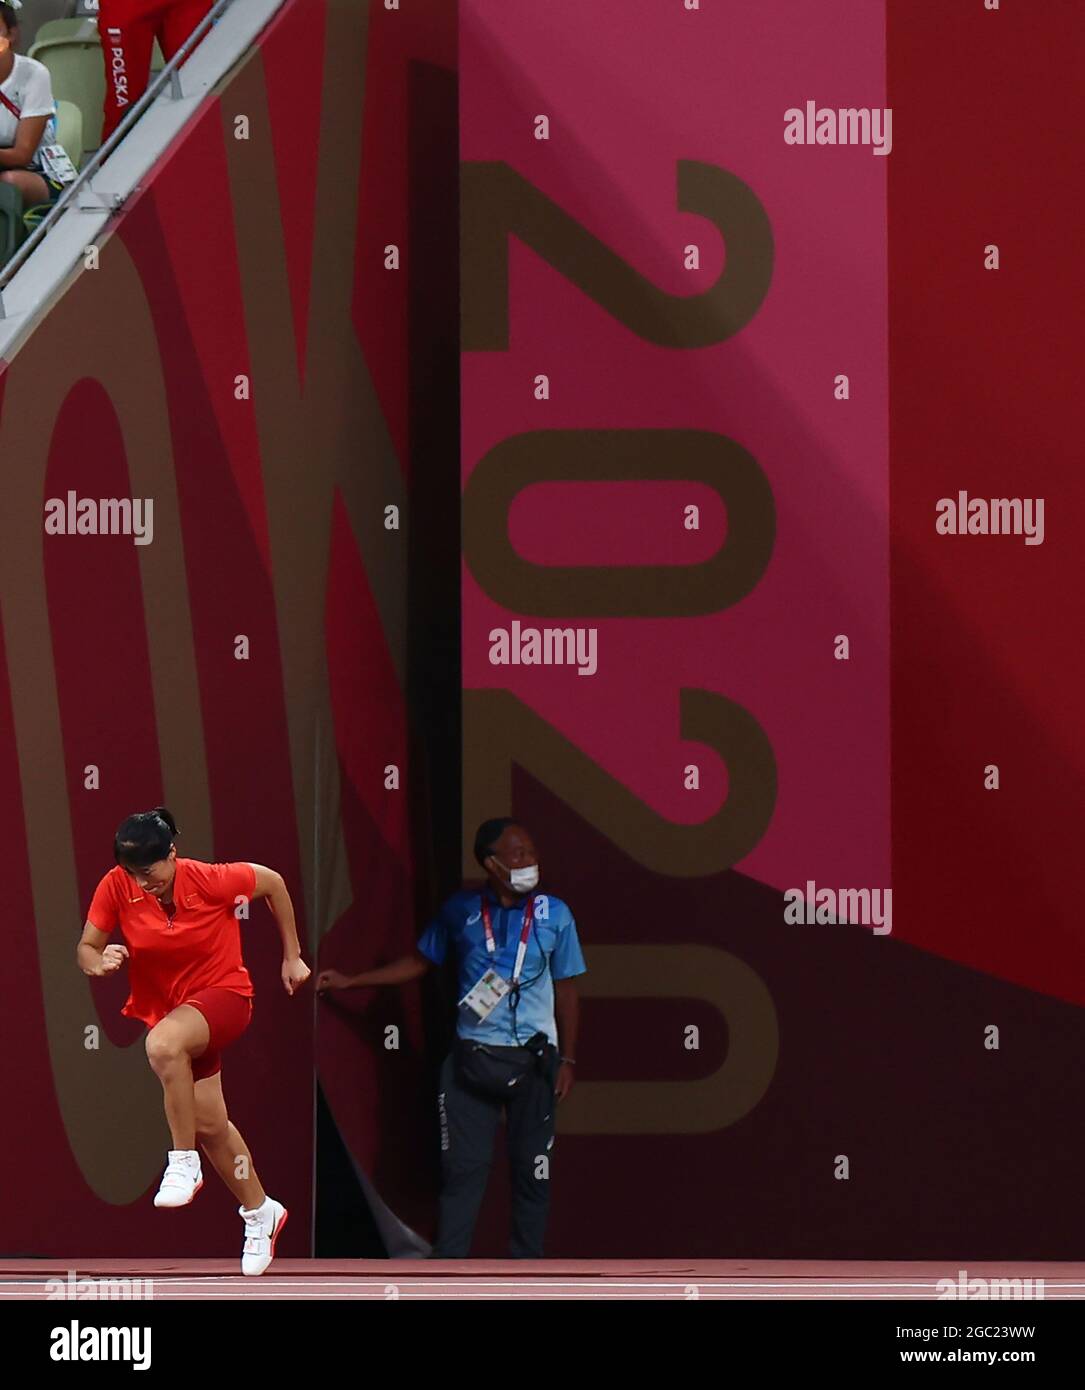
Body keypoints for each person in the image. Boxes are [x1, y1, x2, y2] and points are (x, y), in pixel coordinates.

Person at [317, 818, 586, 1258]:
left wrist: (569, 1061)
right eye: (518, 855)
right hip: (470, 1065)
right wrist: (352, 981)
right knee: (463, 1173)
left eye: (532, 853)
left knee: (532, 1175)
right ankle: (446, 1275)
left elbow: (568, 989)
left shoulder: (554, 914)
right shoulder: (461, 910)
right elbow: (420, 963)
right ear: (491, 863)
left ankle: (528, 1275)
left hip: (535, 1065)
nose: (529, 862)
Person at [76, 806, 310, 1276]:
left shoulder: (211, 879)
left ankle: (182, 1162)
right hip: (175, 1015)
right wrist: (97, 962)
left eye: (150, 872)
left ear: (173, 855)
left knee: (161, 1047)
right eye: (132, 874)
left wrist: (293, 956)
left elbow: (275, 884)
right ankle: (261, 1211)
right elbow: (87, 947)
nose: (142, 884)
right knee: (210, 1126)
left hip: (225, 999)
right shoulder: (115, 886)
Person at [97, 0, 212, 144]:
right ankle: (115, 164)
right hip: (125, 5)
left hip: (185, 4)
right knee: (123, 103)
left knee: (201, 87)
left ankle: (208, 159)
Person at [0, 2, 70, 217]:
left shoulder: (34, 74)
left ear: (11, 34)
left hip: (37, 171)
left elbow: (22, 155)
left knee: (8, 183)